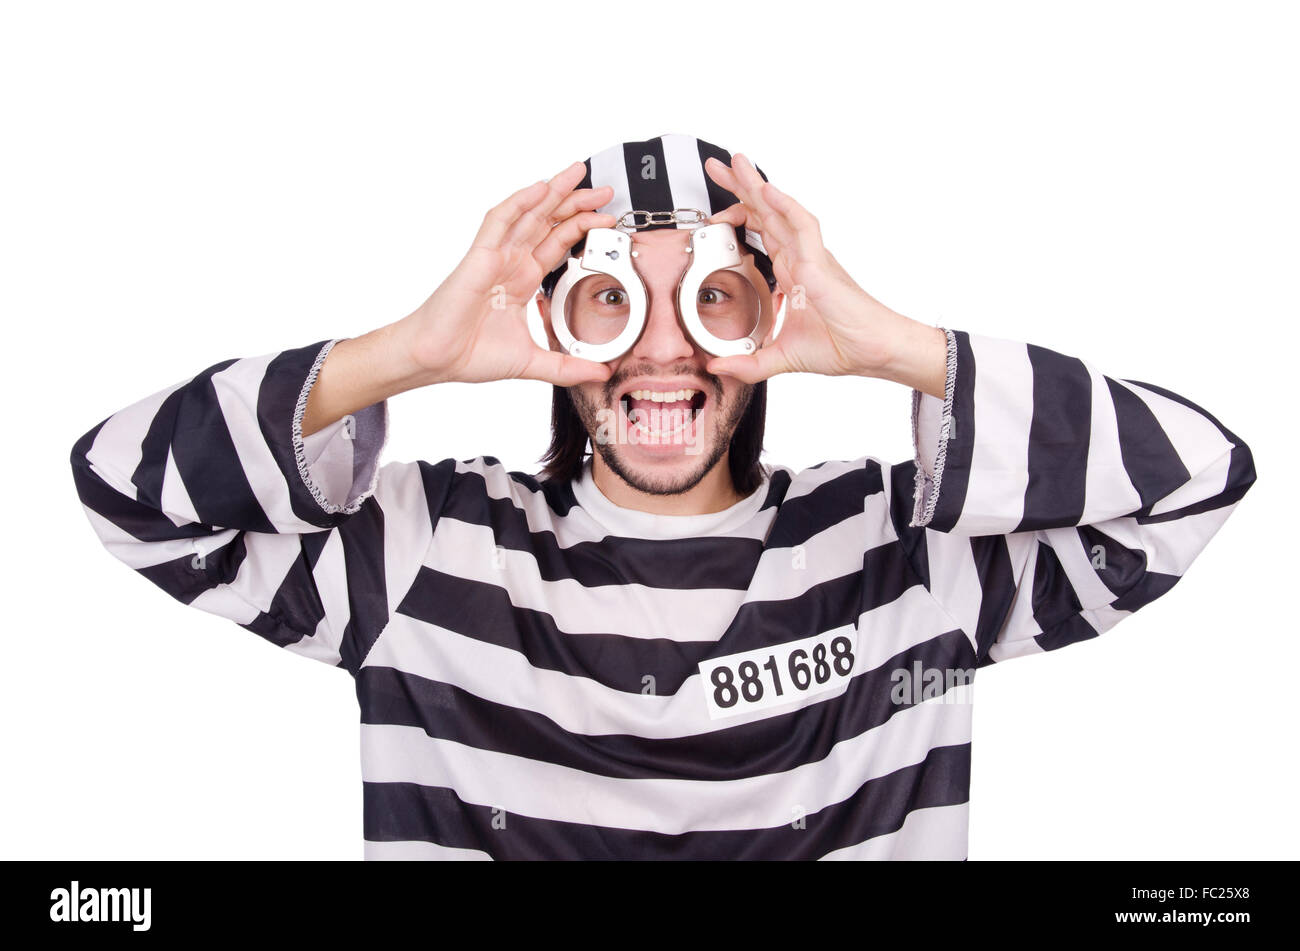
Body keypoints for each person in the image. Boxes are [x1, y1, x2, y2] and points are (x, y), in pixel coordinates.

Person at [69, 133, 1256, 860]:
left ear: (774, 321)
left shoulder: (909, 554)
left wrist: (895, 343)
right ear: (548, 323)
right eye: (610, 300)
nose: (661, 349)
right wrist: (410, 352)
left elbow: (1195, 480)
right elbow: (124, 488)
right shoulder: (431, 550)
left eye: (714, 299)